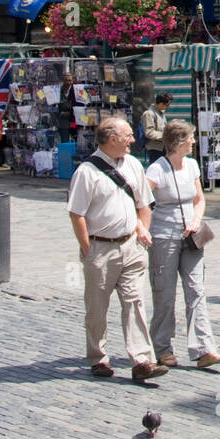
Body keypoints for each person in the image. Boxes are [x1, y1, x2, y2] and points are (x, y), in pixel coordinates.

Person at [67, 117, 164, 381]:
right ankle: (98, 357)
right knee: (97, 308)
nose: (134, 139)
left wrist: (142, 229)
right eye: (129, 135)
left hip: (130, 247)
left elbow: (144, 204)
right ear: (112, 139)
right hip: (100, 248)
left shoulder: (133, 164)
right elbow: (76, 214)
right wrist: (88, 249)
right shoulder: (87, 172)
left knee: (135, 303)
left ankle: (142, 360)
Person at [145, 119, 220, 370]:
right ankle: (163, 347)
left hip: (191, 236)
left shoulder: (192, 166)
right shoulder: (156, 170)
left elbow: (199, 199)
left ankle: (203, 349)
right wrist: (142, 227)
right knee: (165, 293)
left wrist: (196, 219)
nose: (193, 142)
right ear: (179, 141)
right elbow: (141, 200)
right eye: (190, 138)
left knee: (196, 290)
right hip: (164, 236)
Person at [140, 92, 171, 165]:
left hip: (162, 147)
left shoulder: (161, 113)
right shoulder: (149, 114)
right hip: (154, 148)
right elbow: (149, 133)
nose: (167, 107)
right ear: (161, 104)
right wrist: (165, 136)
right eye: (167, 105)